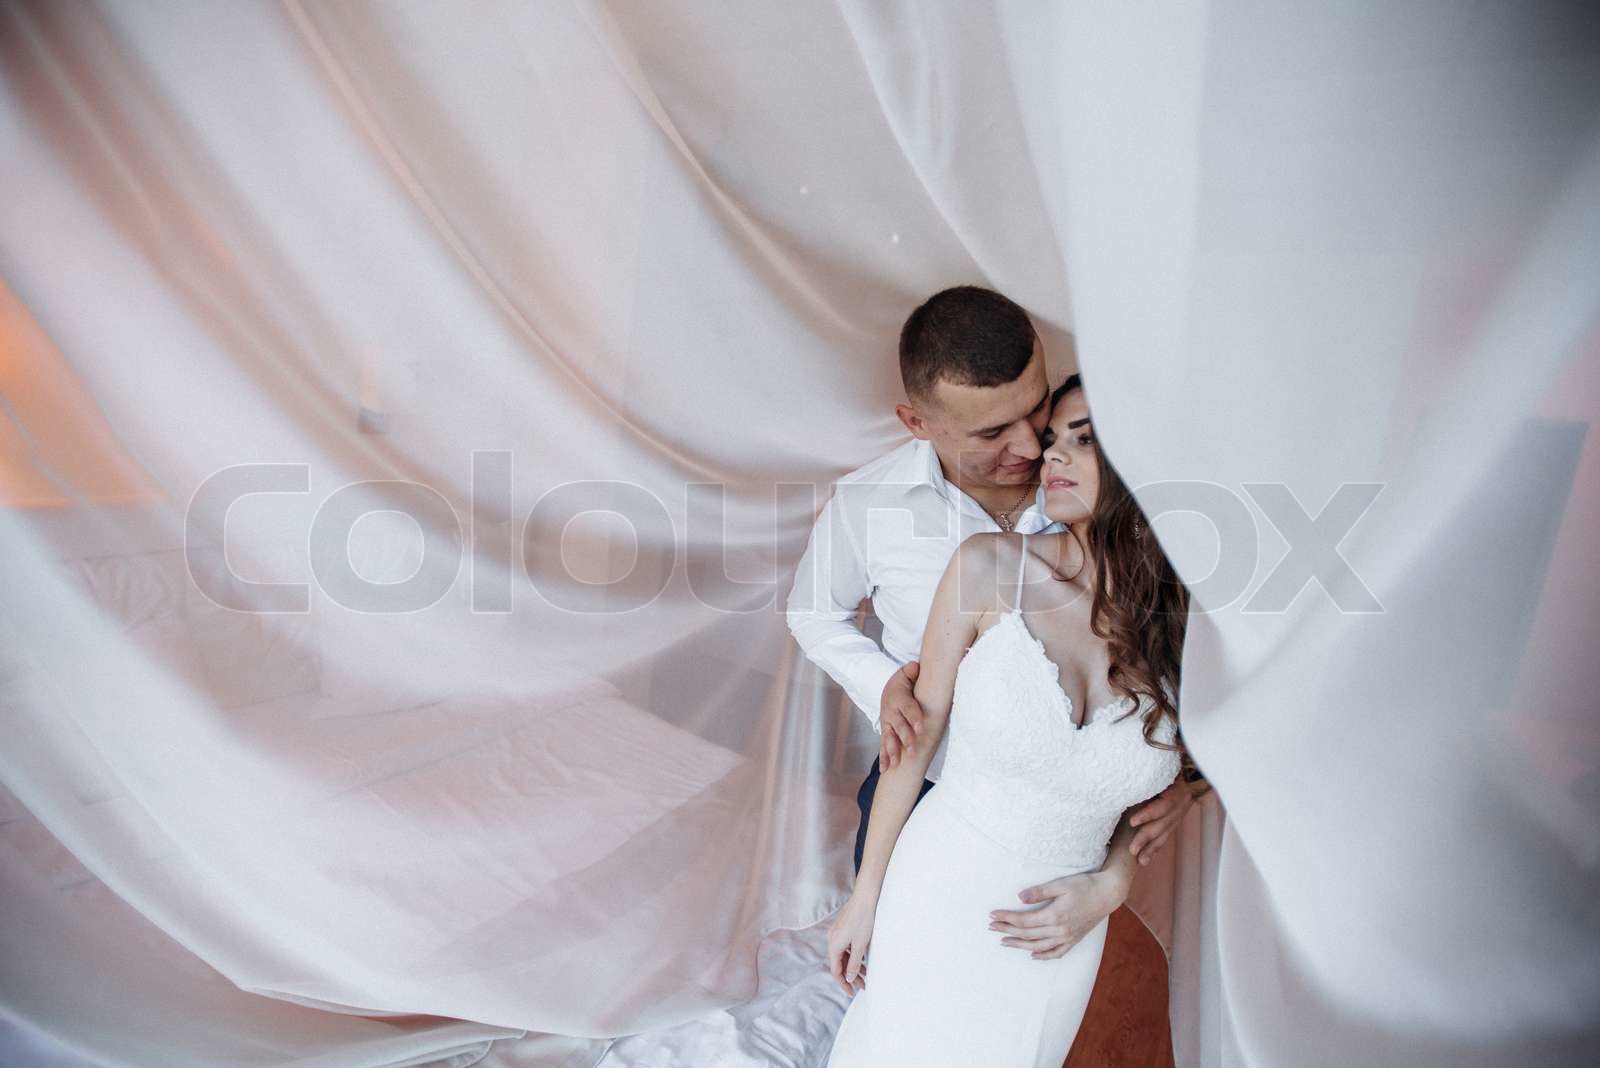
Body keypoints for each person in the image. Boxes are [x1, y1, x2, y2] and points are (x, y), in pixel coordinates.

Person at [785, 286, 1194, 960]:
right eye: (992, 432)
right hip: (925, 792)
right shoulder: (867, 505)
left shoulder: (1098, 478)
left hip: (1073, 819)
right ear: (917, 423)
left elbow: (1176, 664)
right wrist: (887, 685)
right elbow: (811, 611)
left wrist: (1181, 785)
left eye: (1034, 407)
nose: (1032, 444)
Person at [821, 373, 1207, 1065]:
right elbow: (914, 742)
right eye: (1052, 439)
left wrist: (1113, 882)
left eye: (1081, 442)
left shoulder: (1185, 628)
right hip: (939, 888)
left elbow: (1210, 765)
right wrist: (865, 895)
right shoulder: (988, 568)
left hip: (1065, 929)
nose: (1050, 457)